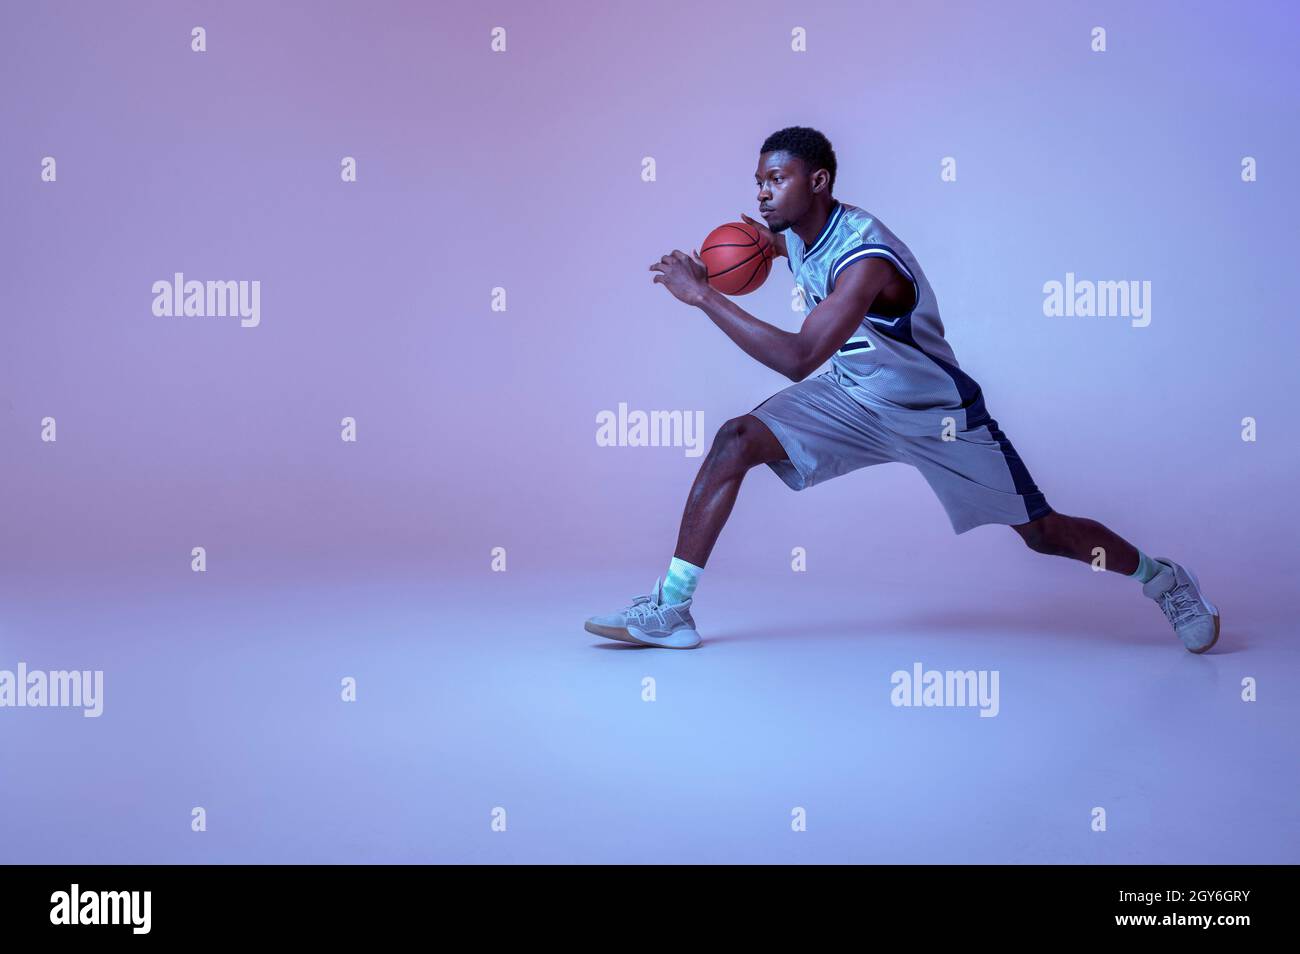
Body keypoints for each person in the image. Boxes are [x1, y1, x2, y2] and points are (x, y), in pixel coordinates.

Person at [584, 126, 1219, 653]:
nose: (762, 191)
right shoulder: (792, 233)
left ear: (819, 182)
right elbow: (768, 248)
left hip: (934, 414)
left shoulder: (866, 260)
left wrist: (702, 296)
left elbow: (800, 357)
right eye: (758, 180)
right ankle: (671, 610)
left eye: (776, 179)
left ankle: (1162, 579)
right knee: (737, 438)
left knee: (1043, 533)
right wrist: (740, 253)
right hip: (852, 398)